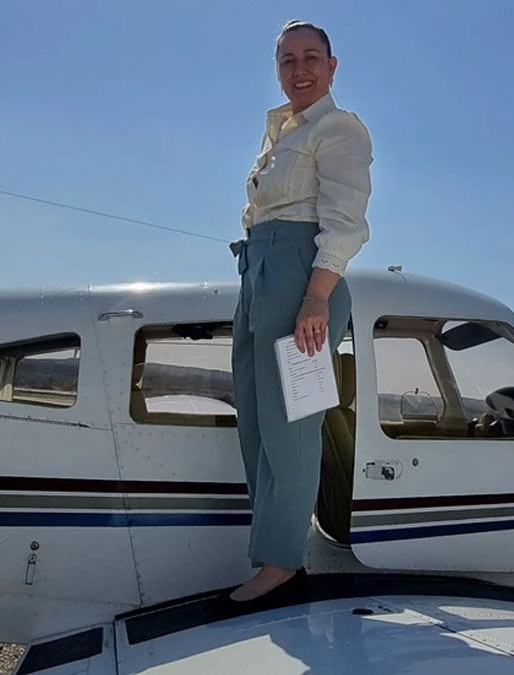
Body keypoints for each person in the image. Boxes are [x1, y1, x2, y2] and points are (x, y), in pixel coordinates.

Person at [228, 19, 372, 602]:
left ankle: (281, 565)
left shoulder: (338, 128)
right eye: (287, 60)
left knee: (292, 427)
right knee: (258, 425)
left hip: (303, 281)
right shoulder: (280, 131)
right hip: (258, 276)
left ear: (332, 66)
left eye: (311, 57)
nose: (299, 69)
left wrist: (316, 296)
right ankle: (275, 553)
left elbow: (345, 219)